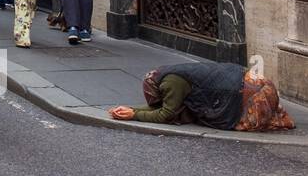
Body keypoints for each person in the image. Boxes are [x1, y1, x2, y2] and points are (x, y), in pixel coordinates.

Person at [110, 63, 295, 131]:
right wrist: (131, 109)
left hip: (253, 94)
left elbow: (166, 113)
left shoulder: (170, 83)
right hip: (260, 83)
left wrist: (134, 115)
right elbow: (167, 106)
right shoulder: (169, 74)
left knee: (244, 123)